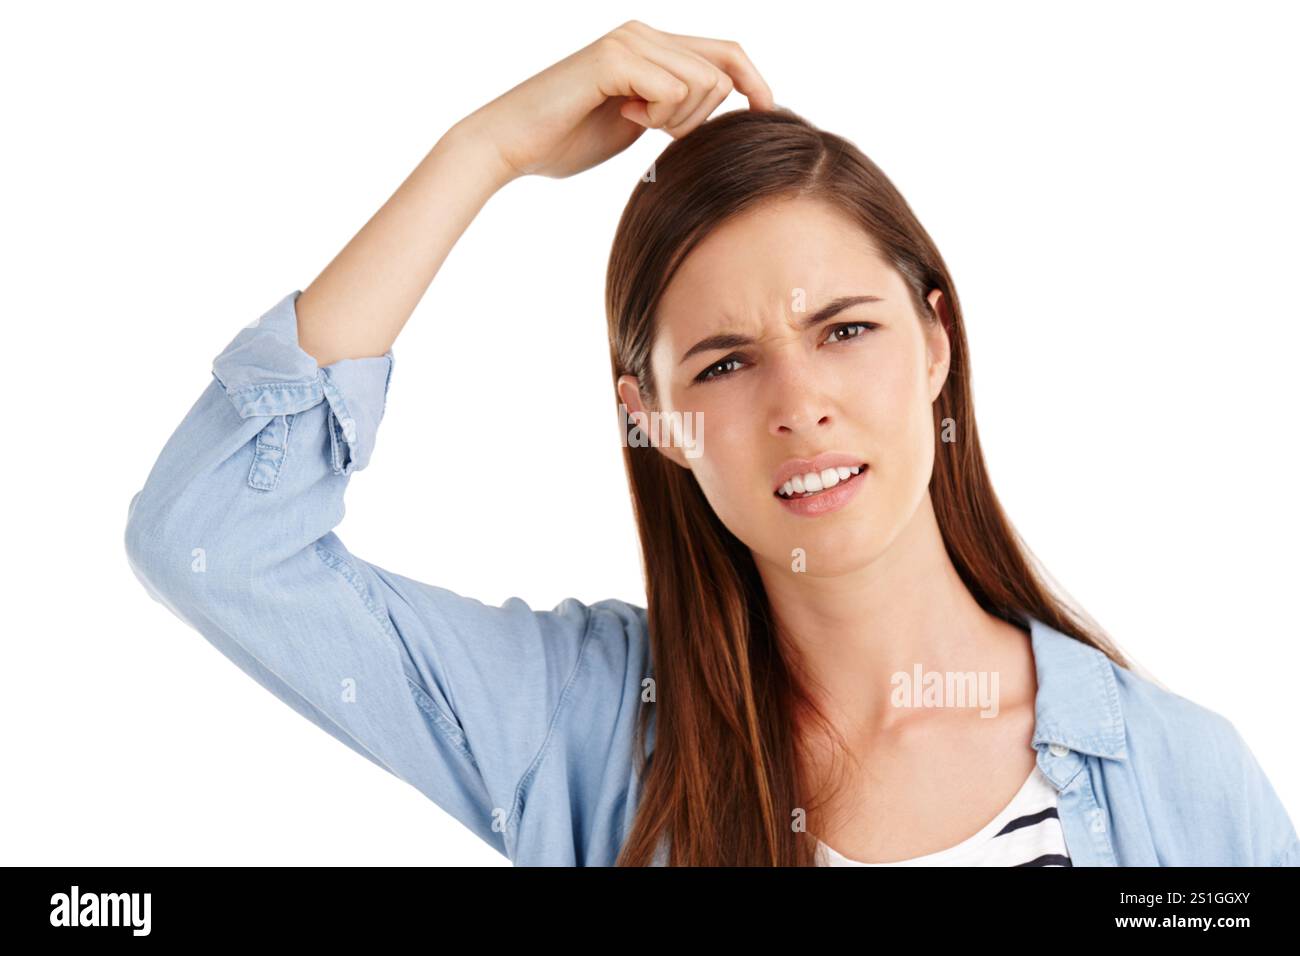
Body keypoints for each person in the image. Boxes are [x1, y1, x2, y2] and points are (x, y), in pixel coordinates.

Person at [124, 19, 1298, 867]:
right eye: (725, 363)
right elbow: (212, 544)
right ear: (653, 419)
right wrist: (482, 151)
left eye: (844, 329)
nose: (799, 403)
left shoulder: (1179, 781)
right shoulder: (581, 728)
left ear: (935, 342)